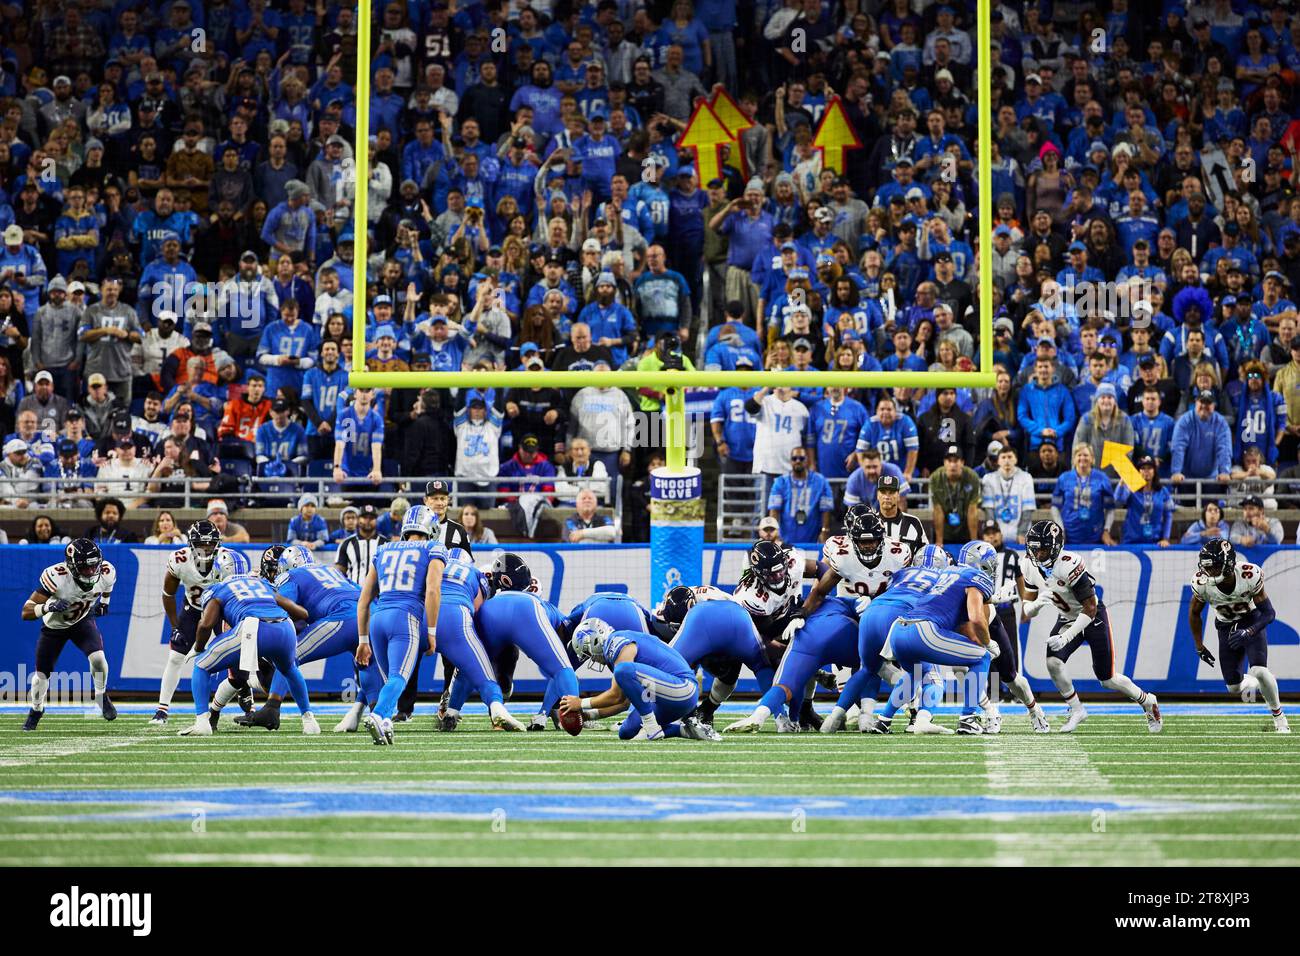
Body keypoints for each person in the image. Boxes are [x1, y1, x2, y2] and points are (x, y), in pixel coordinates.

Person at [1020, 520, 1162, 734]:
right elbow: (1026, 611)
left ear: (1055, 546)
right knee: (1053, 662)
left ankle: (1147, 701)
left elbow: (1090, 608)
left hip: (1092, 617)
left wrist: (1066, 637)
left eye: (1042, 549)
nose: (1037, 554)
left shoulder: (1069, 564)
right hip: (1067, 617)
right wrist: (1035, 605)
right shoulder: (1028, 565)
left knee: (1108, 679)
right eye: (1034, 549)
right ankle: (1077, 709)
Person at [240, 546, 381, 734]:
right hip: (373, 617)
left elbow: (281, 608)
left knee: (288, 655)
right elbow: (366, 594)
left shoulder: (292, 575)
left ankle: (272, 708)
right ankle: (378, 715)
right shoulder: (332, 571)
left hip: (341, 619)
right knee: (367, 664)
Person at [180, 569, 318, 737]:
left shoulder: (218, 589)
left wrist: (198, 648)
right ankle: (309, 721)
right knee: (289, 670)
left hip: (254, 626)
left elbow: (205, 625)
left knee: (201, 665)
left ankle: (202, 722)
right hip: (285, 626)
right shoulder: (261, 584)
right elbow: (302, 613)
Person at [355, 506, 451, 744]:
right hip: (404, 617)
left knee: (392, 681)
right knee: (400, 677)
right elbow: (432, 590)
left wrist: (362, 639)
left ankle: (385, 721)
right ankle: (377, 715)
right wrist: (431, 630)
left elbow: (364, 600)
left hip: (378, 619)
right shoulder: (434, 547)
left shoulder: (383, 549)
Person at [1189, 540, 1289, 733]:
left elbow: (1269, 613)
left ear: (1228, 563)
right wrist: (1199, 646)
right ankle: (1259, 682)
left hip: (1251, 621)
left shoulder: (1248, 574)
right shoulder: (1201, 583)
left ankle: (1280, 718)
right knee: (1233, 688)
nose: (1209, 572)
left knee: (1259, 670)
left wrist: (1249, 631)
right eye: (1207, 567)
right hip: (1226, 628)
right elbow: (1194, 613)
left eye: (1215, 566)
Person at [19, 540, 118, 731]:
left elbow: (107, 587)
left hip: (81, 621)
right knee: (41, 675)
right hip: (53, 628)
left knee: (98, 657)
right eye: (84, 567)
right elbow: (26, 612)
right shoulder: (56, 576)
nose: (90, 571)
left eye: (93, 565)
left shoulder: (107, 571)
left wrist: (105, 602)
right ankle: (36, 709)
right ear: (72, 566)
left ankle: (101, 695)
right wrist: (47, 606)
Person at [152, 521, 243, 727]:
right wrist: (175, 626)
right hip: (193, 610)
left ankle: (247, 699)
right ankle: (161, 709)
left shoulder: (228, 560)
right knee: (175, 657)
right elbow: (168, 594)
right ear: (191, 543)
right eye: (201, 544)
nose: (206, 548)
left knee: (235, 655)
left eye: (210, 544)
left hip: (222, 611)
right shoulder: (179, 559)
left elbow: (236, 594)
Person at [561, 617, 700, 741]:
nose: (593, 659)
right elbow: (622, 702)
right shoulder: (618, 648)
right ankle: (684, 730)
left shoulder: (614, 642)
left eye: (589, 653)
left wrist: (580, 703)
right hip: (665, 697)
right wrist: (588, 716)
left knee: (623, 670)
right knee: (626, 732)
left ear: (596, 640)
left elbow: (614, 696)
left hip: (683, 688)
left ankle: (651, 728)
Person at [765, 446, 835, 544]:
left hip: (812, 540)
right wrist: (774, 533)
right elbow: (774, 510)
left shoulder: (820, 481)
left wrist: (824, 530)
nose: (798, 461)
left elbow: (826, 510)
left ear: (807, 460)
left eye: (801, 458)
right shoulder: (780, 482)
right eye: (794, 458)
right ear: (790, 461)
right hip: (785, 542)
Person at [1052, 445, 1115, 546]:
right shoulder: (1064, 478)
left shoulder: (1102, 478)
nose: (1082, 458)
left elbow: (1110, 508)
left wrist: (1106, 530)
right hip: (1069, 536)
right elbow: (1055, 507)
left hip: (1095, 536)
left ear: (1092, 458)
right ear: (1074, 459)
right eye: (1079, 455)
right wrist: (1060, 529)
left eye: (1086, 455)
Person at [981, 445, 1036, 544]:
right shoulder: (988, 479)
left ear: (1016, 459)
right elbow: (989, 510)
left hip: (1019, 534)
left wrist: (1022, 533)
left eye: (1010, 457)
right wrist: (993, 533)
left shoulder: (1026, 477)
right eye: (1003, 457)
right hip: (997, 533)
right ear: (998, 461)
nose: (1007, 461)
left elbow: (1027, 509)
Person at [928, 445, 982, 546]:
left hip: (966, 530)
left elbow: (972, 510)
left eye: (956, 461)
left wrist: (973, 542)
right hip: (945, 531)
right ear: (944, 462)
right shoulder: (936, 477)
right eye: (949, 461)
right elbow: (937, 510)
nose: (953, 465)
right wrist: (939, 541)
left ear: (962, 462)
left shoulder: (972, 477)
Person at [1116, 456, 1175, 546]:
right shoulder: (1131, 489)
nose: (1146, 471)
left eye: (1150, 468)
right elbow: (1118, 500)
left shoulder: (1163, 491)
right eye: (1143, 468)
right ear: (1138, 471)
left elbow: (1168, 515)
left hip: (1155, 543)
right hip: (1131, 542)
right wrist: (1122, 483)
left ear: (1154, 471)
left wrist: (1165, 538)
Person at [874, 472, 927, 555]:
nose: (887, 497)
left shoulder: (914, 522)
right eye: (883, 492)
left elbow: (924, 554)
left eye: (891, 492)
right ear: (877, 495)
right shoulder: (870, 522)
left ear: (898, 495)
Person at [334, 503, 387, 585]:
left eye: (371, 518)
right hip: (354, 593)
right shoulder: (347, 543)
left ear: (376, 520)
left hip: (380, 594)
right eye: (365, 517)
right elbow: (339, 574)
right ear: (358, 520)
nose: (368, 520)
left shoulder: (386, 544)